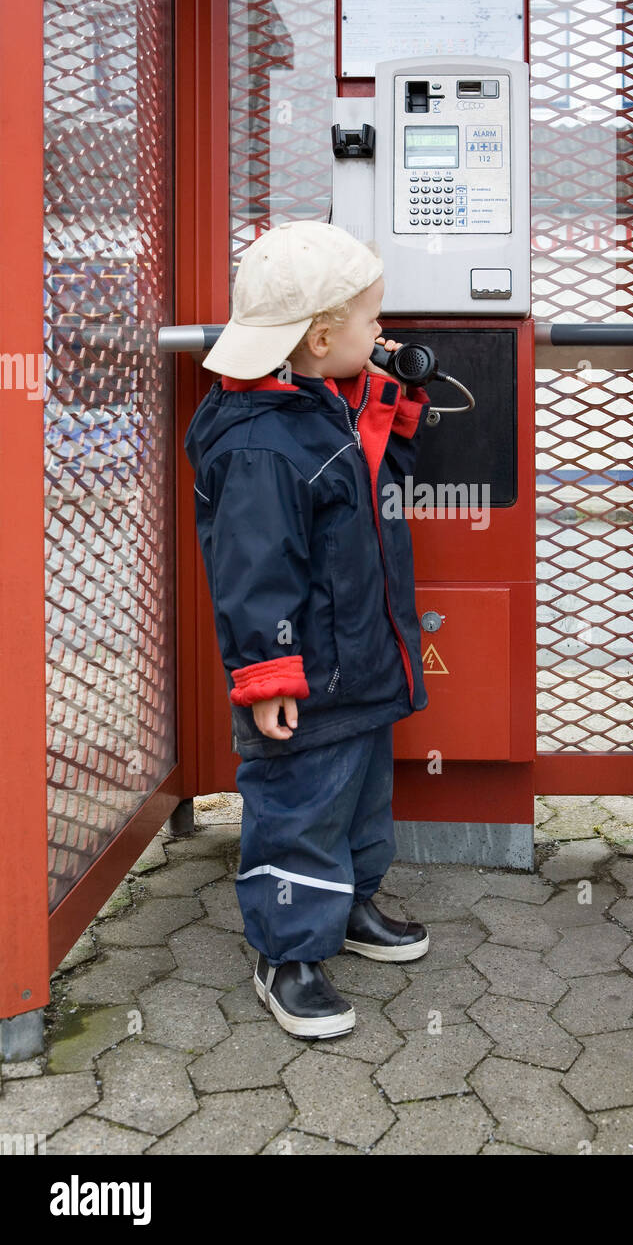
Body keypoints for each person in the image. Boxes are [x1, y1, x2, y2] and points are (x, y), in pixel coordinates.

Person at [183, 220, 431, 1040]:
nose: (382, 333)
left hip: (353, 658)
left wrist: (391, 407)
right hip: (304, 669)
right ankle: (288, 952)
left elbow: (357, 478)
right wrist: (266, 676)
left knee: (358, 801)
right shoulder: (260, 445)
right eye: (370, 321)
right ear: (321, 337)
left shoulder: (315, 405)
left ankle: (349, 907)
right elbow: (254, 574)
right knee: (298, 806)